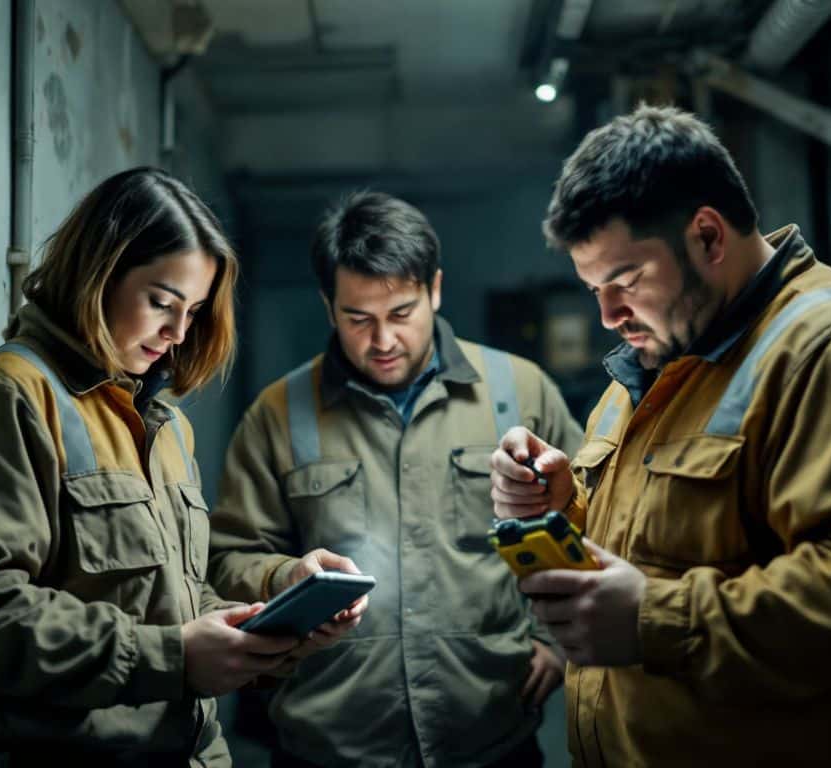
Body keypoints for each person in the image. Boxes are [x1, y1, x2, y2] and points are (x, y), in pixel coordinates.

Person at [489, 104, 831, 765]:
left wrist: (655, 620)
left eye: (625, 281)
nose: (609, 316)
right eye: (594, 289)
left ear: (708, 237)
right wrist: (562, 506)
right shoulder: (657, 363)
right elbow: (675, 544)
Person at [0, 167, 311, 767]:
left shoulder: (167, 427)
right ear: (98, 274)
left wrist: (251, 626)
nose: (178, 333)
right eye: (161, 303)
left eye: (195, 311)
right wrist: (173, 657)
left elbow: (169, 598)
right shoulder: (8, 398)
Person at [207, 191, 584, 767]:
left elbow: (592, 521)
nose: (382, 341)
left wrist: (555, 643)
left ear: (435, 290)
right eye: (358, 319)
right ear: (329, 307)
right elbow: (227, 560)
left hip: (492, 739)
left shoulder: (520, 389)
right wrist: (286, 576)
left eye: (401, 314)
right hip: (330, 748)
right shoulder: (277, 415)